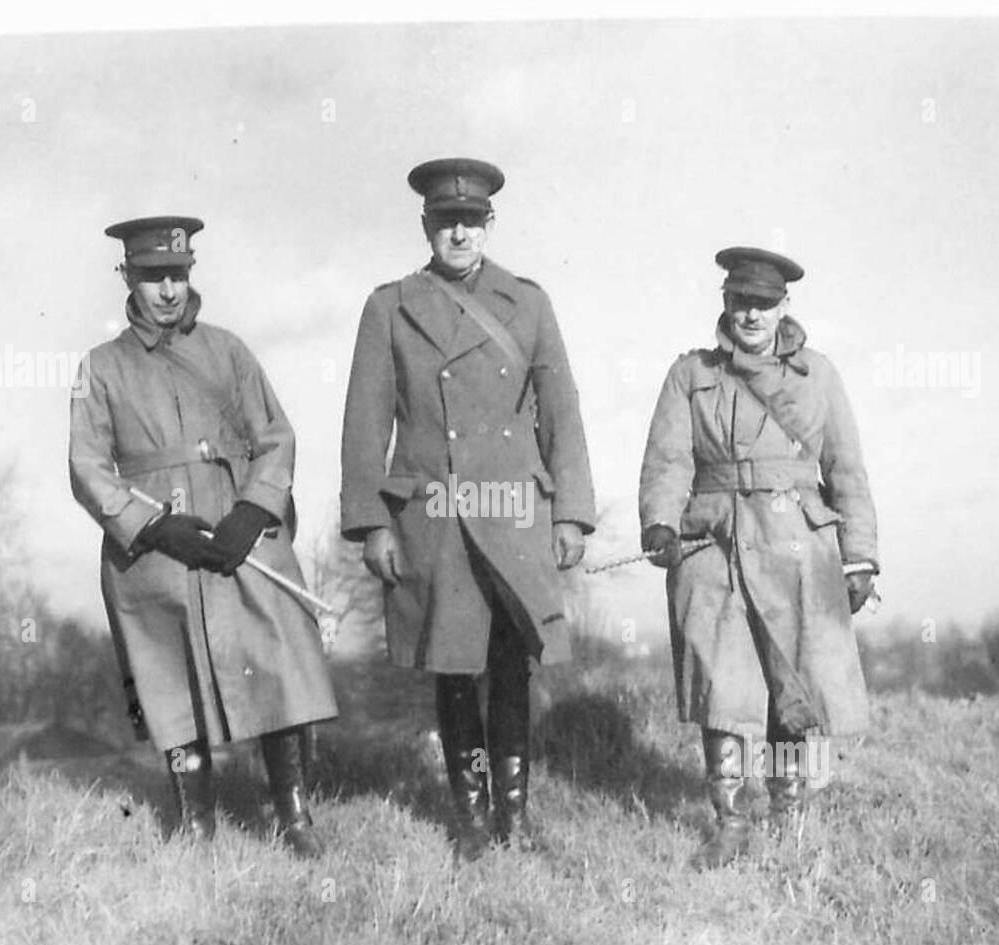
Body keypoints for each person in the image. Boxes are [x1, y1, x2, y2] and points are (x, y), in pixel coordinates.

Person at [340, 159, 595, 859]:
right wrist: (371, 522)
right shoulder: (389, 306)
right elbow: (367, 423)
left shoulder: (528, 303)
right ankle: (472, 820)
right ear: (426, 226)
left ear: (490, 225)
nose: (460, 233)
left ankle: (515, 817)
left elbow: (562, 414)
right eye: (447, 221)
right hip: (437, 514)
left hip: (514, 511)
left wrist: (570, 513)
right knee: (454, 667)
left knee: (513, 664)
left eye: (472, 221)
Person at [69, 215, 338, 857]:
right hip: (157, 546)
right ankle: (197, 825)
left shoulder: (228, 351)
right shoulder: (100, 369)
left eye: (177, 275)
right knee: (170, 678)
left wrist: (253, 512)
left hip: (237, 531)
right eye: (151, 276)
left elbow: (276, 436)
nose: (166, 290)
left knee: (277, 654)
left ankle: (293, 816)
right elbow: (86, 467)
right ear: (126, 278)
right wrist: (153, 525)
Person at [638, 246, 878, 869]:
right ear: (725, 303)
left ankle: (788, 813)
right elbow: (668, 458)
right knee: (722, 678)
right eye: (740, 301)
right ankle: (729, 819)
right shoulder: (691, 374)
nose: (751, 315)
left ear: (783, 308)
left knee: (790, 682)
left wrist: (860, 558)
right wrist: (660, 524)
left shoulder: (818, 376)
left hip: (798, 545)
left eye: (763, 304)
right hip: (714, 541)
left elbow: (845, 469)